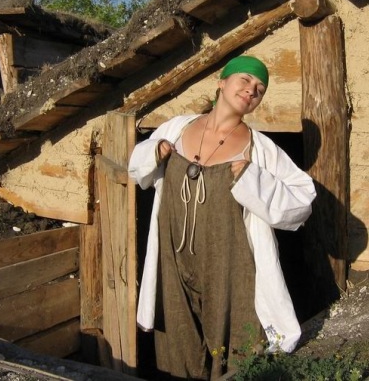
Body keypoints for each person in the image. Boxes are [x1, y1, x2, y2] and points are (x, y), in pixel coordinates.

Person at [128, 55, 316, 380]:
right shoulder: (177, 128)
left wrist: (254, 178)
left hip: (230, 265)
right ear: (222, 82)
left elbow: (303, 200)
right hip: (173, 259)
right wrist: (153, 151)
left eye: (260, 88)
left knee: (234, 349)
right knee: (177, 346)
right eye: (245, 79)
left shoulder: (260, 149)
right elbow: (135, 168)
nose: (252, 90)